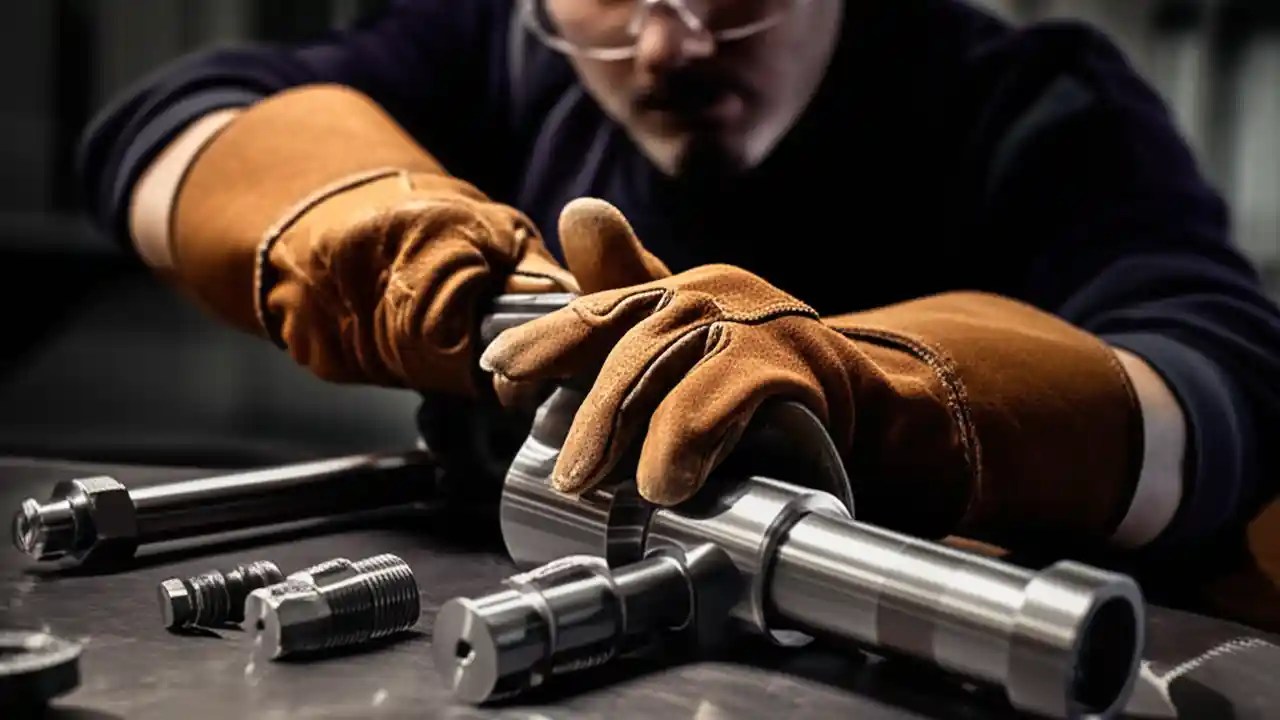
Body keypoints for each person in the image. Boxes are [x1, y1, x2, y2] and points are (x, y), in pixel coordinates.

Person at [78, 0, 1280, 631]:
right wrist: (361, 219)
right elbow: (168, 122)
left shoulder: (1031, 105)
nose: (666, 43)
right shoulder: (498, 42)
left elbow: (1220, 380)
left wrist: (889, 402)